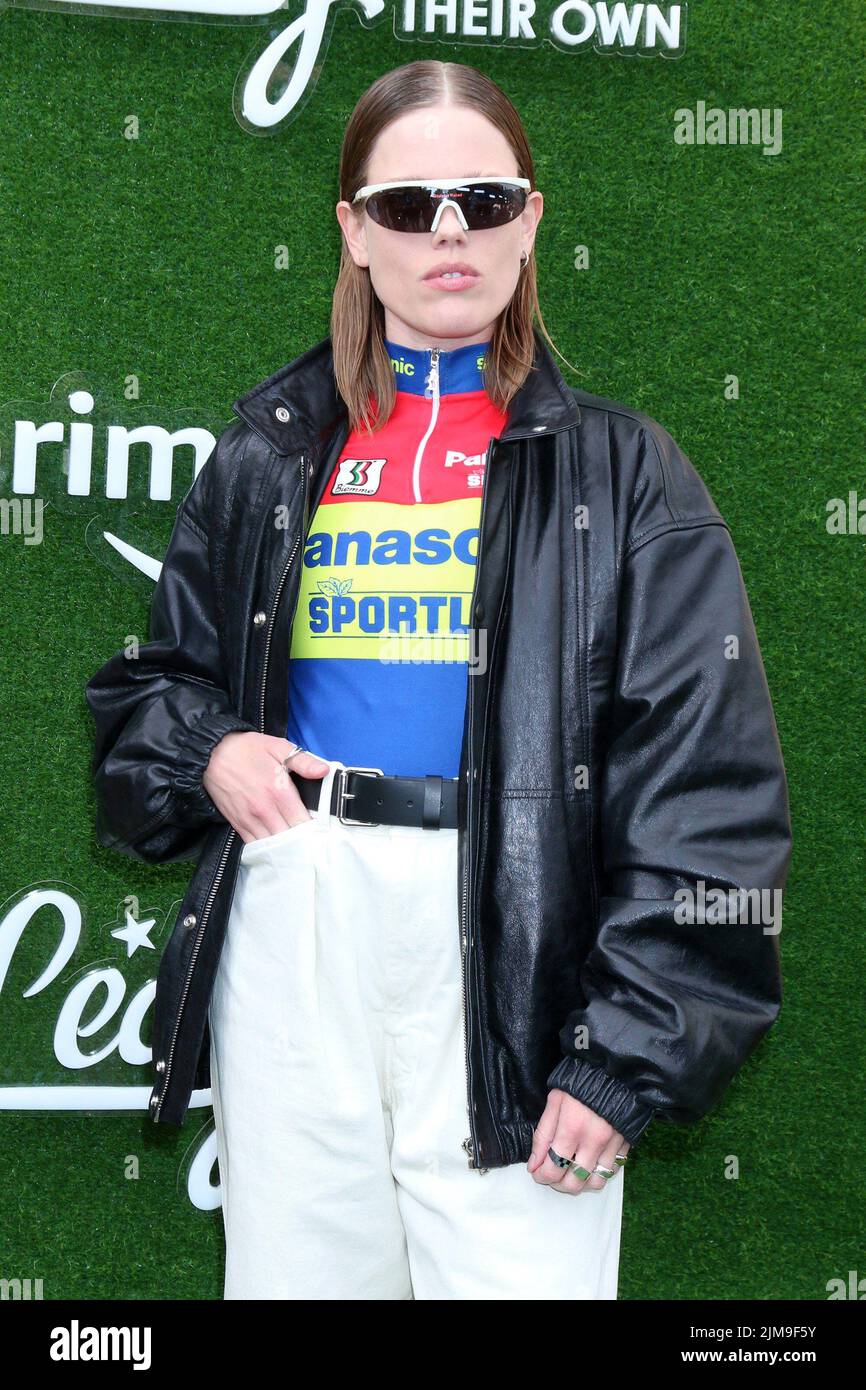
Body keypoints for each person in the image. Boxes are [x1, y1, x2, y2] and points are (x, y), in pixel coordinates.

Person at [84, 60, 792, 1301]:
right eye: (408, 206)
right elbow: (149, 690)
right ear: (354, 233)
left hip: (524, 935)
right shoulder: (265, 452)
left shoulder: (626, 474)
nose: (449, 229)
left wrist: (623, 1053)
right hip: (299, 912)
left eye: (483, 197)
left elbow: (706, 789)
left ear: (530, 220)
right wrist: (210, 746)